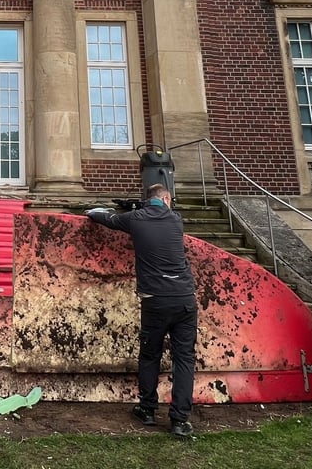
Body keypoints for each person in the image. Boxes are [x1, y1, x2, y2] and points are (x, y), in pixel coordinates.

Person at [85, 183, 198, 437]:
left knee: (150, 354)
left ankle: (147, 409)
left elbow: (107, 218)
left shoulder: (135, 219)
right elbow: (158, 214)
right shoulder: (176, 220)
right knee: (185, 360)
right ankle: (179, 420)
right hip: (184, 298)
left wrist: (93, 212)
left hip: (155, 299)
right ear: (167, 199)